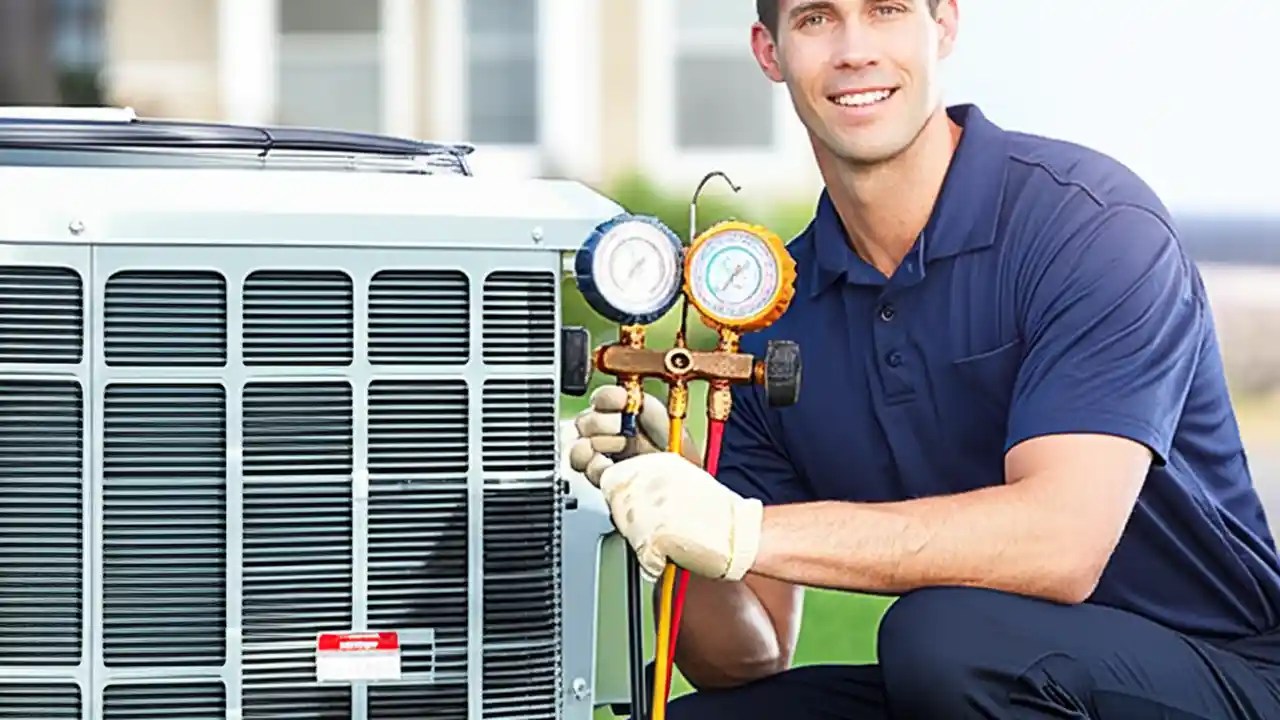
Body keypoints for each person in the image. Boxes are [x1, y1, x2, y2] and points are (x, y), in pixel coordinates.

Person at [567, 0, 1280, 717]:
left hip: (1220, 673)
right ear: (769, 51)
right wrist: (675, 500)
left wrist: (742, 529)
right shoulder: (773, 316)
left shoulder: (1090, 226)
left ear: (944, 25)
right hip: (983, 677)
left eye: (886, 10)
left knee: (940, 638)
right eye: (816, 19)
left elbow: (1061, 544)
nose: (854, 50)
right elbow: (745, 655)